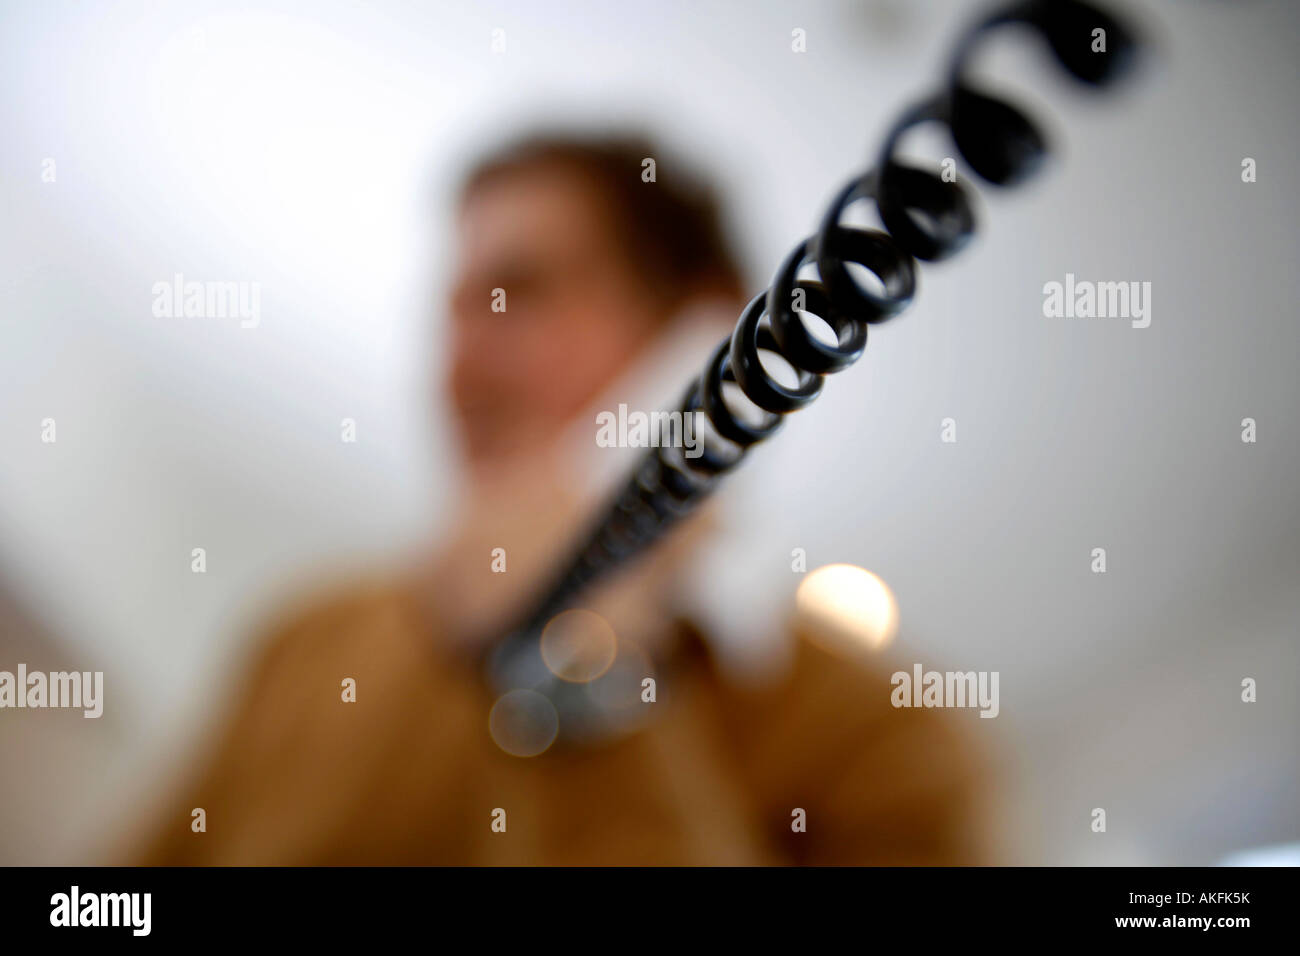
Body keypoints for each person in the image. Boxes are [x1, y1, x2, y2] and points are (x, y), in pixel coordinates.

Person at [129, 132, 985, 865]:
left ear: (706, 333)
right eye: (454, 315)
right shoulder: (308, 643)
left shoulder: (889, 737)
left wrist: (587, 668)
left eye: (517, 294)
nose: (456, 375)